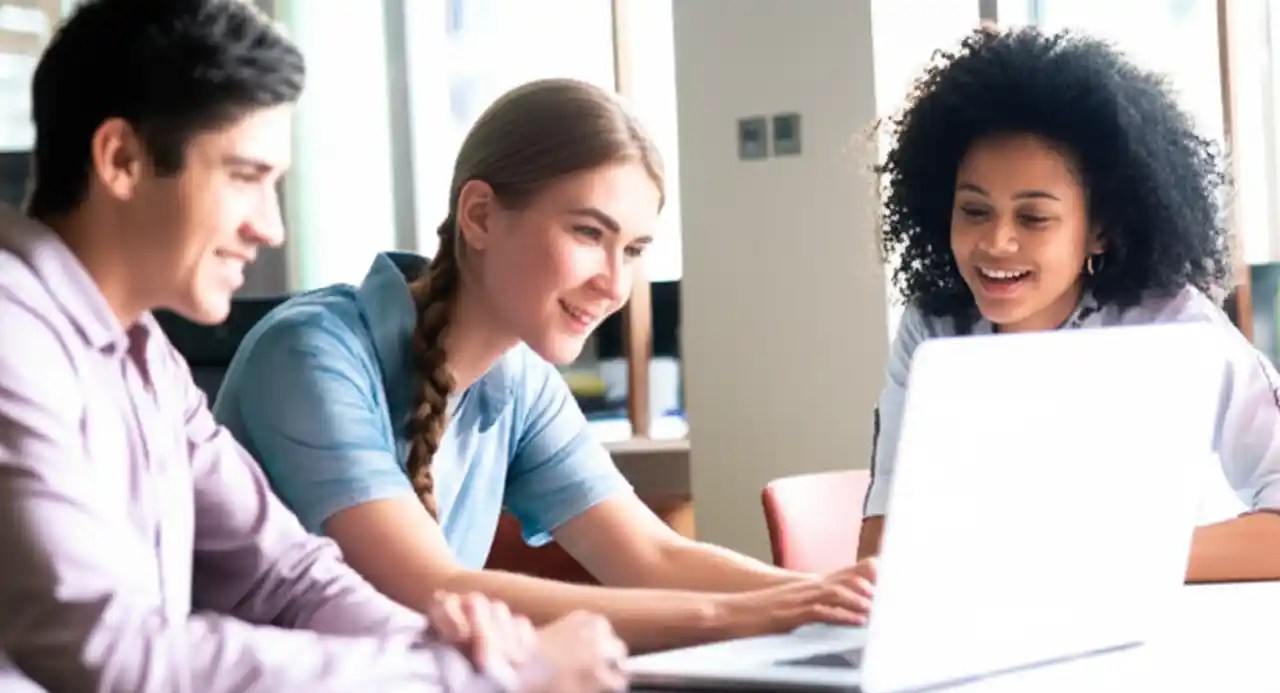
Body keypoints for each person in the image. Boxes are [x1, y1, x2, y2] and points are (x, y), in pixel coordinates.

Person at [0, 1, 629, 693]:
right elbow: (116, 664)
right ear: (121, 160)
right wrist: (480, 678)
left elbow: (287, 577)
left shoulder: (145, 361)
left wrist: (459, 650)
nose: (269, 227)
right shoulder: (13, 340)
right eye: (245, 176)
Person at [213, 77, 878, 652]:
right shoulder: (311, 355)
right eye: (589, 233)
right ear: (479, 215)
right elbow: (428, 590)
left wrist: (835, 601)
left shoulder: (521, 382)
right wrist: (748, 614)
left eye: (635, 249)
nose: (615, 285)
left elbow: (653, 556)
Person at [859, 26, 1280, 582]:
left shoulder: (1174, 326)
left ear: (1099, 230)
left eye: (1033, 218)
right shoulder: (932, 328)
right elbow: (883, 549)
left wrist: (1097, 558)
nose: (996, 243)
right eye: (974, 210)